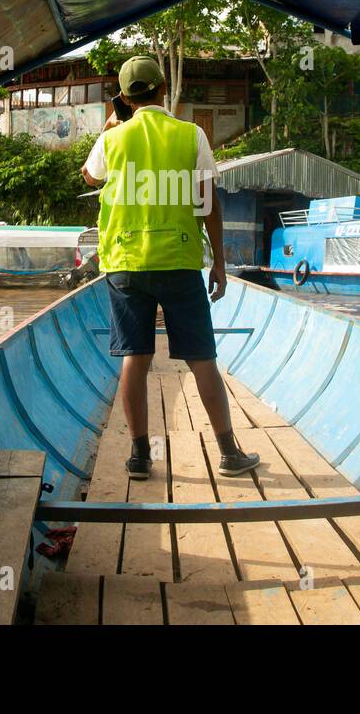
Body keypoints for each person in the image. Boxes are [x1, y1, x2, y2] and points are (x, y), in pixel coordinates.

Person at [81, 55, 259, 479]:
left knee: (134, 357)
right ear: (163, 89)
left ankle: (141, 455)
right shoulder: (191, 135)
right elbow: (208, 203)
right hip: (180, 262)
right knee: (202, 358)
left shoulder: (112, 140)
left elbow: (89, 177)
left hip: (126, 265)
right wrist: (218, 260)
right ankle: (229, 452)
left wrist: (111, 124)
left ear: (124, 98)